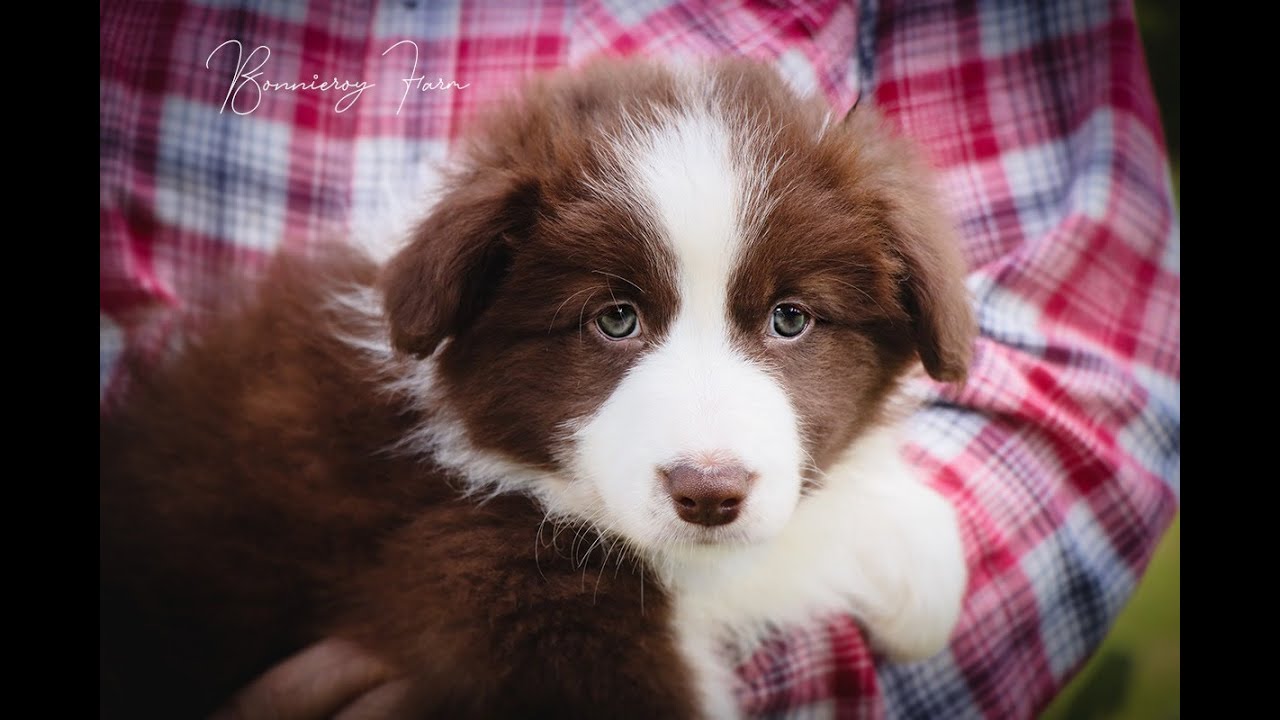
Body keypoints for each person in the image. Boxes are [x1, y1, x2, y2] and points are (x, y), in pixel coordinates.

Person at [99, 0, 1180, 716]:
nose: (707, 452)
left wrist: (876, 555)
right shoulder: (465, 504)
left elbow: (1095, 374)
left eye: (789, 320)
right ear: (472, 299)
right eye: (612, 319)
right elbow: (540, 639)